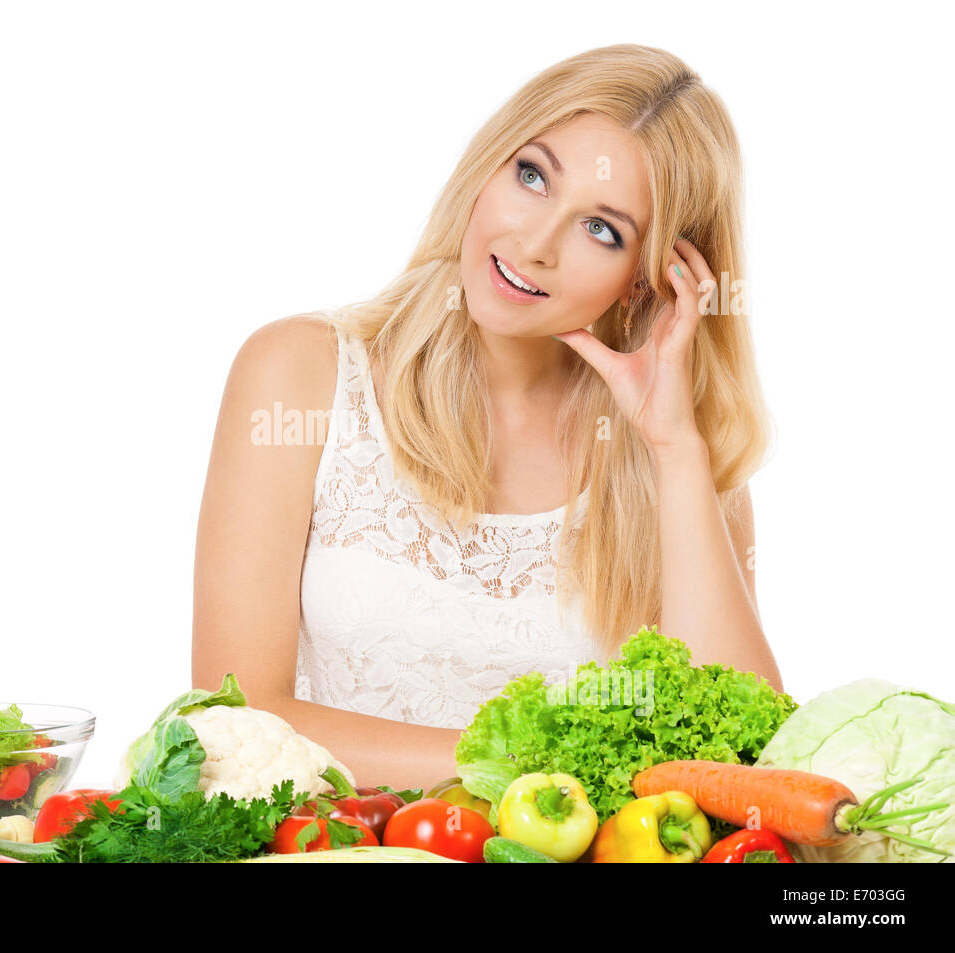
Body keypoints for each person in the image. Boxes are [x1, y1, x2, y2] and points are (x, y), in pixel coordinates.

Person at [192, 43, 782, 791]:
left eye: (601, 229)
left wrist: (674, 448)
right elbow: (230, 721)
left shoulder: (684, 460)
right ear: (488, 163)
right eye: (531, 176)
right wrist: (532, 766)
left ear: (646, 282)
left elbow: (746, 755)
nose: (533, 245)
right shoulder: (299, 374)